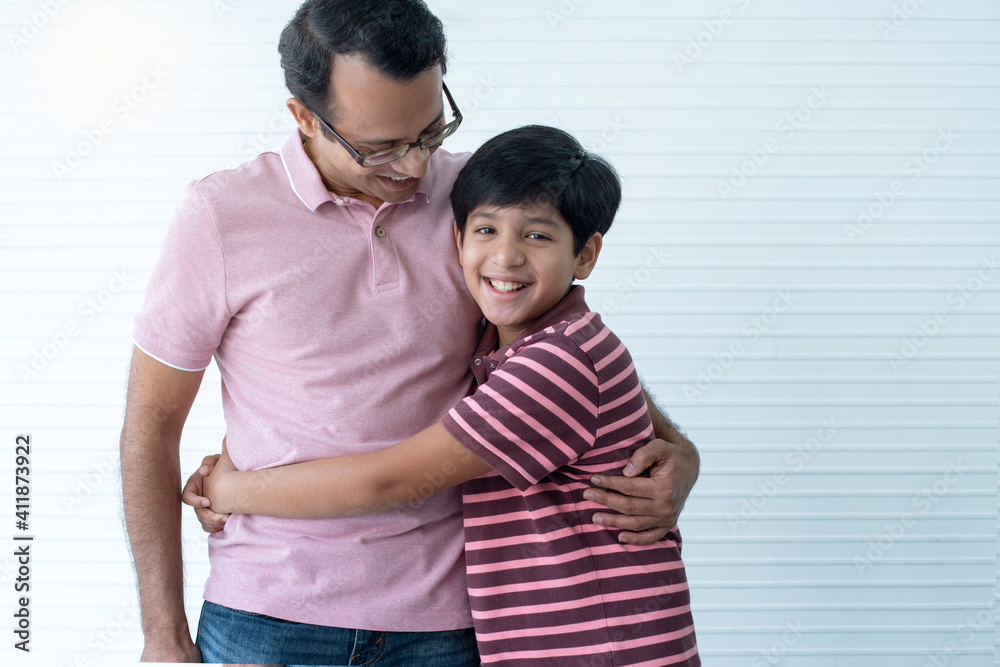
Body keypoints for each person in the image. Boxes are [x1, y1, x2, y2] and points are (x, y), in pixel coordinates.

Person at [119, 0, 700, 664]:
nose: (416, 166)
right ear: (304, 116)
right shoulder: (219, 217)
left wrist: (676, 449)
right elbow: (150, 422)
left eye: (430, 131)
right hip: (269, 614)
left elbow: (560, 343)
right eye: (380, 147)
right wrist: (161, 634)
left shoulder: (480, 204)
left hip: (455, 623)